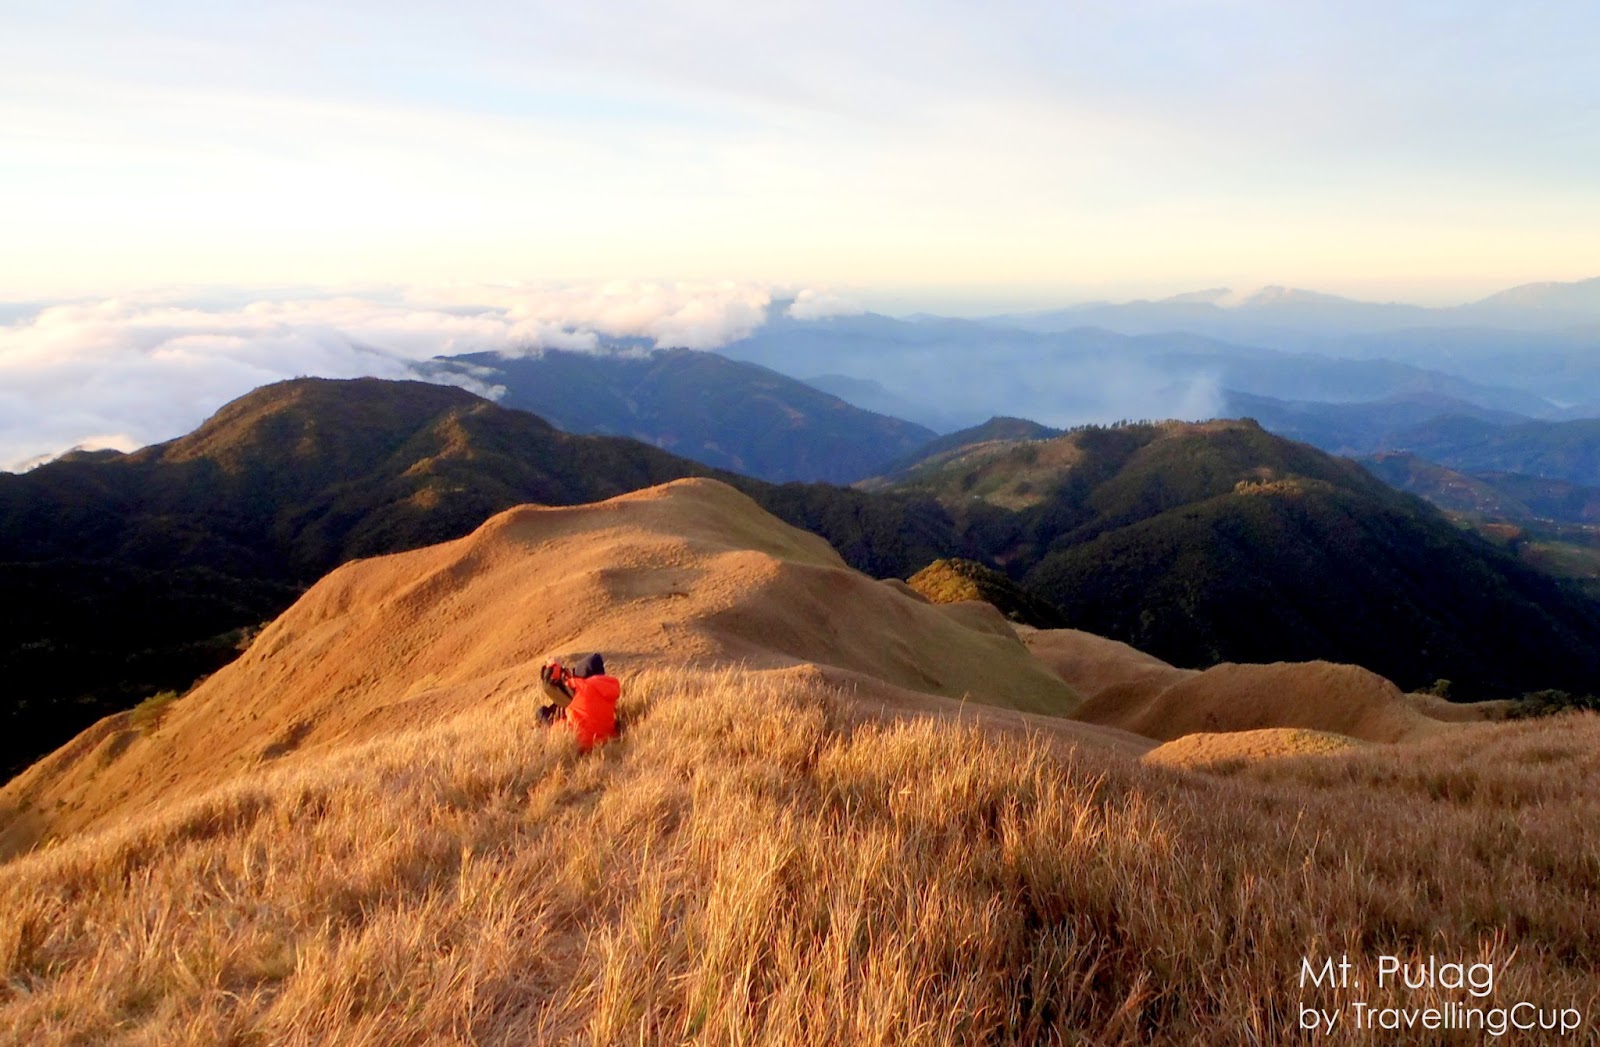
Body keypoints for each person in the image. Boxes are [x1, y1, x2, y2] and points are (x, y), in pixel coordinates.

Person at [537, 653, 620, 751]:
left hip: (582, 743)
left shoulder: (579, 689)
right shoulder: (610, 687)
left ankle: (543, 741)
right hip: (607, 738)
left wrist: (553, 666)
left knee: (542, 712)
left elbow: (548, 686)